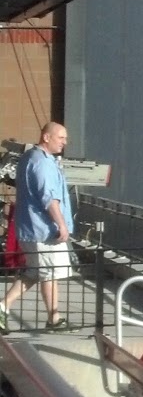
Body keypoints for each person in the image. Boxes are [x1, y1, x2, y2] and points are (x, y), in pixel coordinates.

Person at [1, 122, 74, 332]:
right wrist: (61, 224)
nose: (64, 143)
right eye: (61, 138)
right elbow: (49, 197)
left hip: (31, 229)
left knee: (36, 272)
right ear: (46, 137)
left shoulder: (29, 158)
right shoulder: (41, 163)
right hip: (44, 230)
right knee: (49, 273)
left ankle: (3, 307)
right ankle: (54, 319)